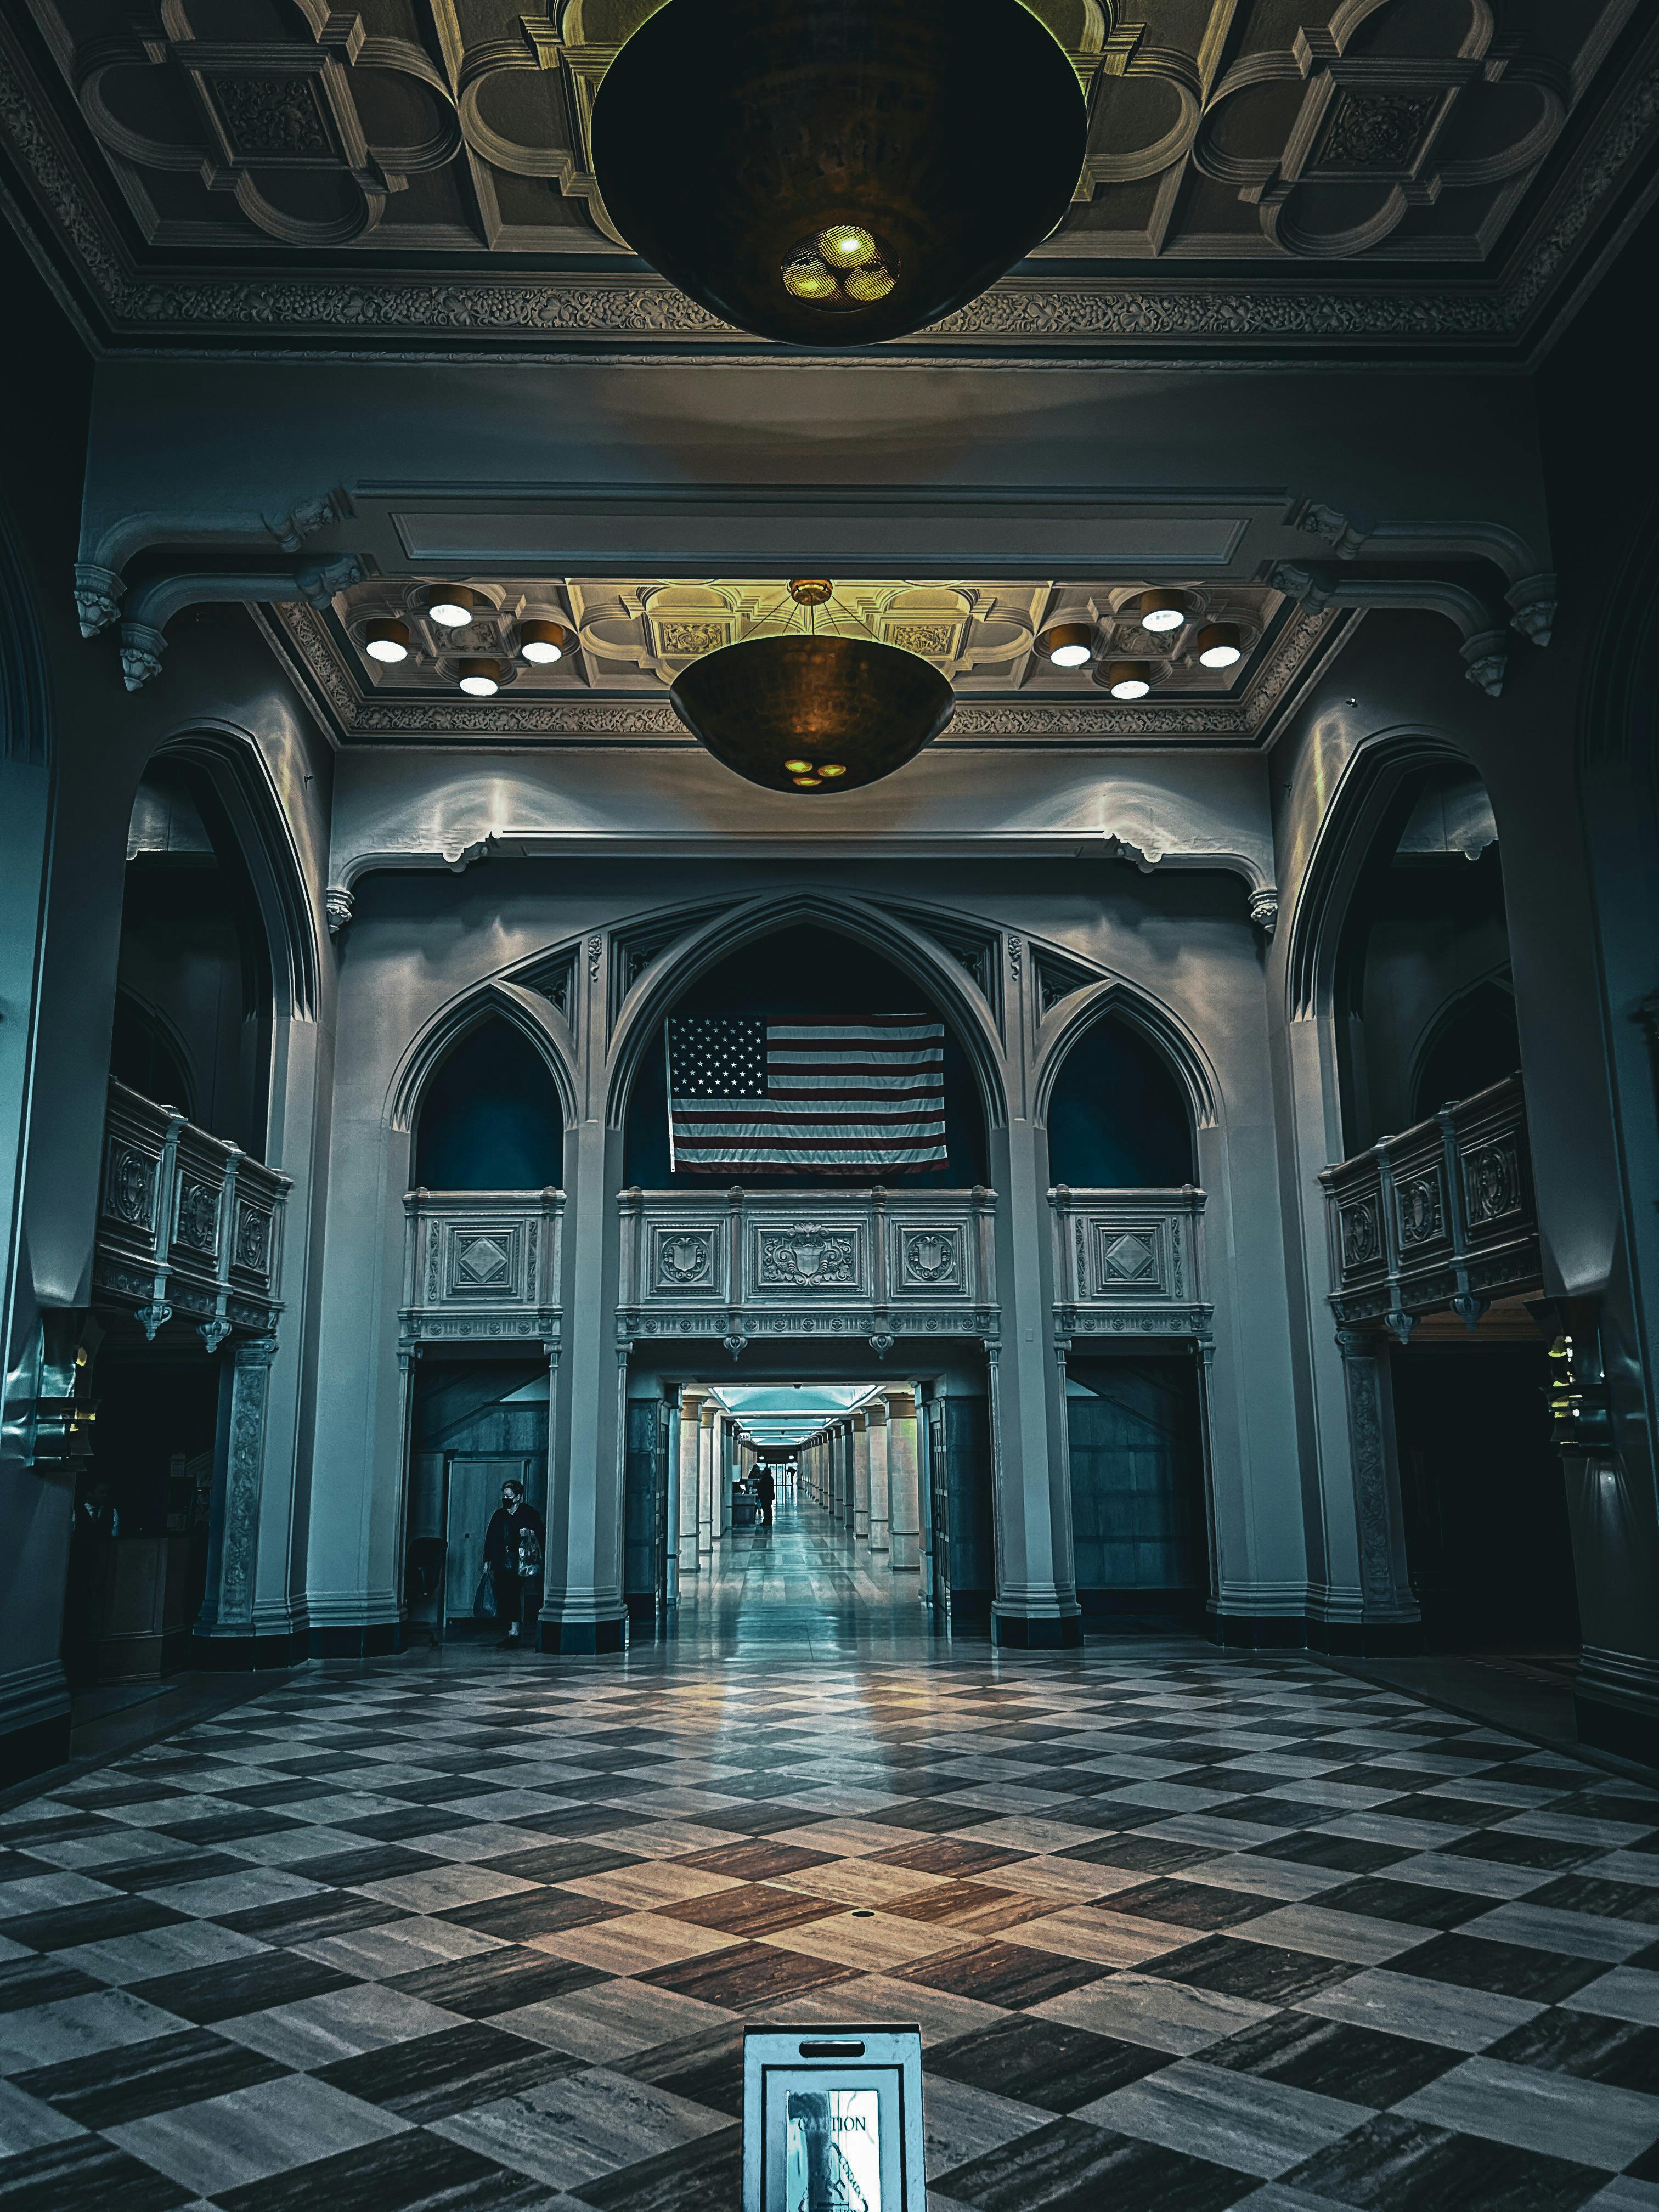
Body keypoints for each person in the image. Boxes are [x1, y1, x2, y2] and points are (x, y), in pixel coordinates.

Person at [483, 1479, 545, 1648]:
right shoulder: (499, 1515)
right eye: (504, 1495)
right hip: (502, 1561)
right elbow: (491, 1539)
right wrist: (487, 1561)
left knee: (513, 1593)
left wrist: (529, 1532)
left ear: (518, 1497)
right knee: (502, 1593)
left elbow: (541, 1534)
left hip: (521, 1562)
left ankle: (514, 1631)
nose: (506, 1499)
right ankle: (511, 1628)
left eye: (509, 1496)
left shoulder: (529, 1513)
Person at [753, 1462, 776, 1530]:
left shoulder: (766, 1478)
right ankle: (767, 1521)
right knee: (768, 1509)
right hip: (768, 1496)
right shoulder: (770, 1478)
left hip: (766, 1496)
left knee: (766, 1509)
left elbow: (762, 1487)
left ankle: (767, 1521)